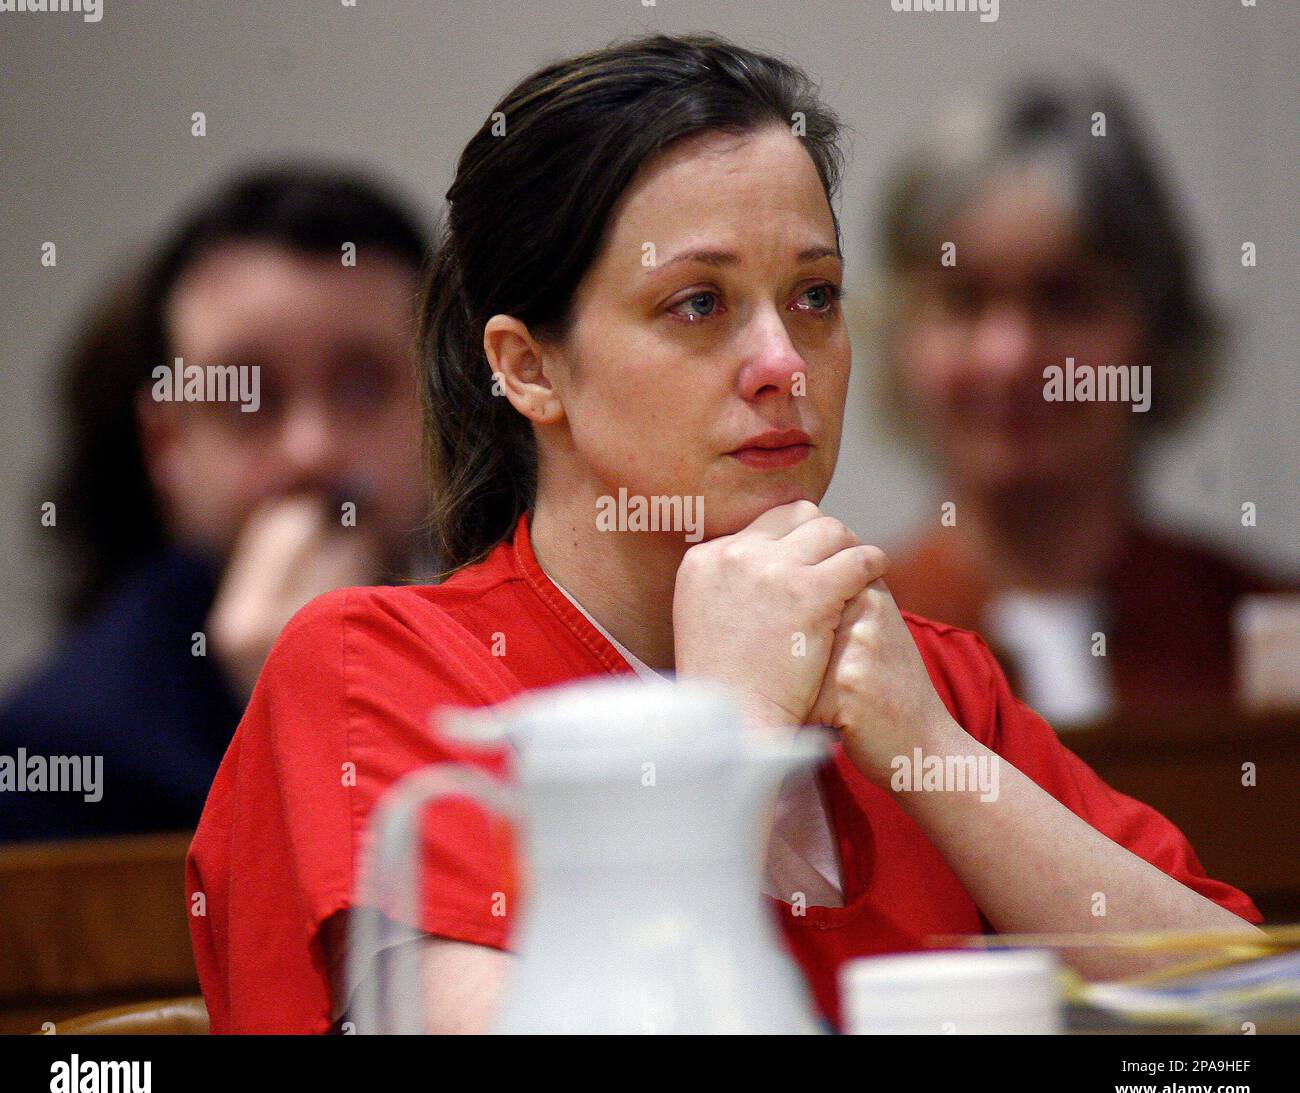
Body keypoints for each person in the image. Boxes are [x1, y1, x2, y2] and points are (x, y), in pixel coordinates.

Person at [187, 34, 1261, 1035]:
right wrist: (732, 729)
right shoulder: (370, 665)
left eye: (814, 295)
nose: (784, 361)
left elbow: (1237, 1006)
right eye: (698, 302)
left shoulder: (925, 673)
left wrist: (931, 751)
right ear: (527, 366)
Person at [0, 166, 433, 841]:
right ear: (167, 444)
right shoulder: (69, 752)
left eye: (364, 386)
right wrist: (304, 717)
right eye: (245, 397)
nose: (310, 450)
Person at [867, 68, 1290, 725]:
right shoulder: (848, 652)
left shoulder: (1265, 634)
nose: (1008, 357)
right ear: (900, 338)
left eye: (1067, 297)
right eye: (962, 301)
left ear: (1158, 332)